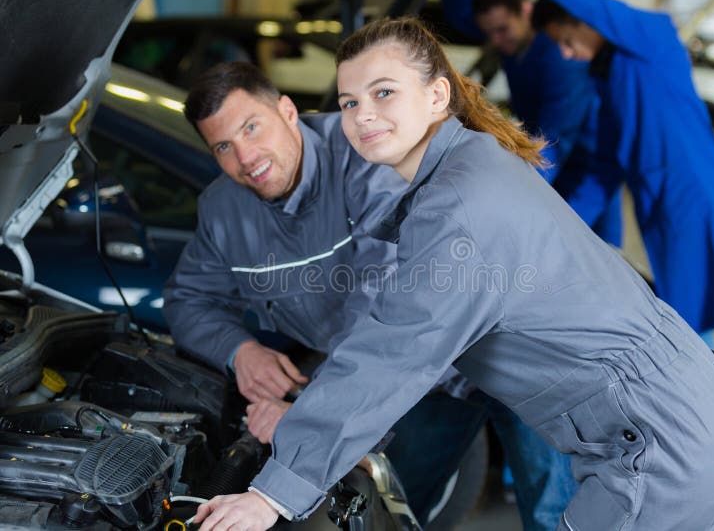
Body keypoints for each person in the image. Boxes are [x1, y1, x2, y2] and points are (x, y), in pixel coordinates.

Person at [193, 18, 714, 531]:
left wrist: (272, 493)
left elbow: (392, 352)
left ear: (437, 95)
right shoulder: (466, 165)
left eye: (384, 92)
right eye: (349, 101)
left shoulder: (459, 205)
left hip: (651, 436)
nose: (362, 115)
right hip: (671, 410)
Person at [163, 61, 571, 526]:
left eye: (252, 127)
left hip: (505, 344)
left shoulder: (367, 153)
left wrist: (306, 418)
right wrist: (240, 351)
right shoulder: (223, 211)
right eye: (224, 147)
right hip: (421, 381)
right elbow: (187, 299)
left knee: (554, 512)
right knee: (389, 506)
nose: (247, 156)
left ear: (288, 110)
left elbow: (385, 310)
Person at [531, 0, 714, 348]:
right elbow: (604, 163)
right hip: (663, 196)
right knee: (683, 304)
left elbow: (594, 6)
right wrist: (562, 226)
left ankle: (707, 394)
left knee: (690, 313)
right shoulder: (610, 73)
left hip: (687, 190)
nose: (566, 54)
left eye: (566, 42)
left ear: (587, 21)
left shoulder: (647, 38)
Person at [471, 0, 622, 247]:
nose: (496, 40)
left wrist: (517, 193)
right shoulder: (514, 50)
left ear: (526, 12)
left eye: (502, 29)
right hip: (550, 165)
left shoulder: (561, 54)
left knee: (593, 252)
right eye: (489, 33)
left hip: (587, 168)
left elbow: (556, 135)